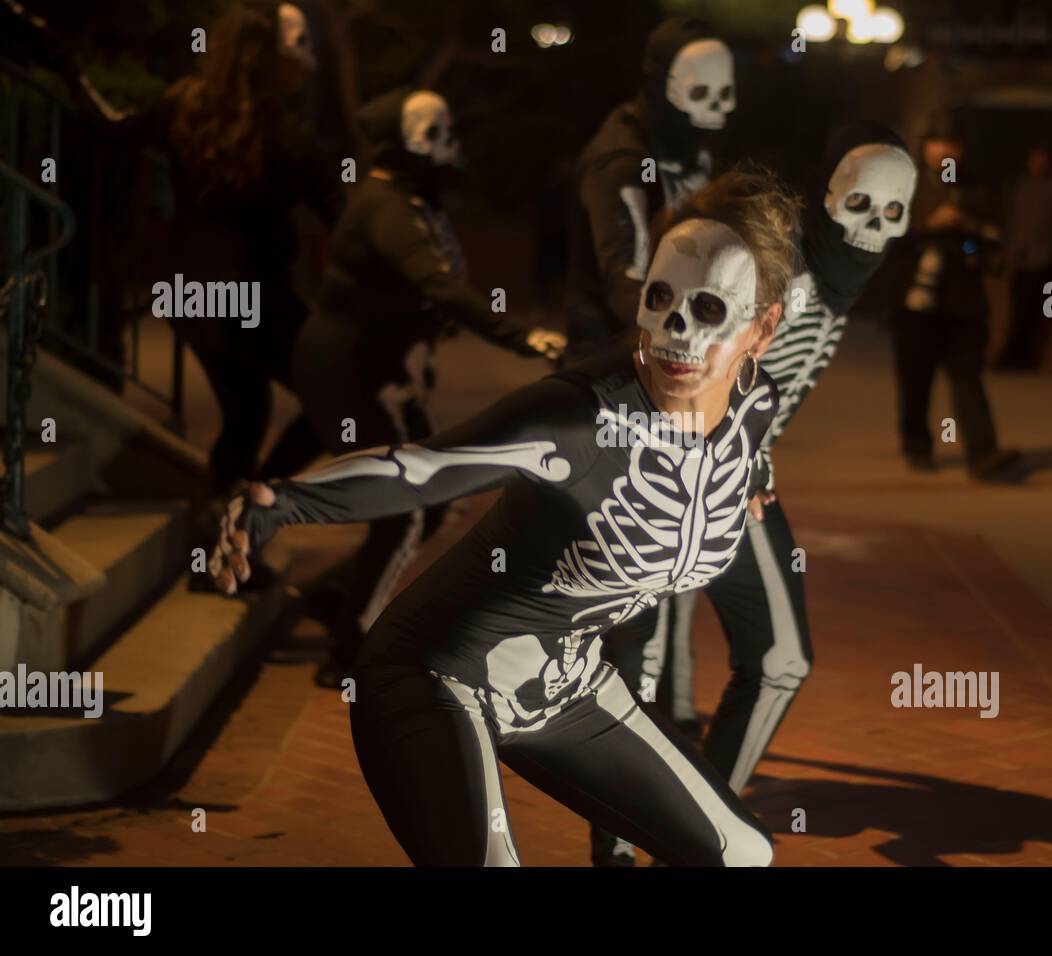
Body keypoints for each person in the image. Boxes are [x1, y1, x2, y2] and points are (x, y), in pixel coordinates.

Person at [210, 169, 800, 867]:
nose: (674, 330)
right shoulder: (578, 417)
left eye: (708, 310)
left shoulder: (754, 403)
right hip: (434, 677)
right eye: (659, 298)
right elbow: (424, 468)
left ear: (762, 330)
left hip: (569, 686)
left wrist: (752, 478)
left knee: (745, 856)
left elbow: (743, 444)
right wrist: (286, 503)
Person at [591, 123, 918, 866]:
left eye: (891, 215)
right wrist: (736, 457)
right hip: (674, 471)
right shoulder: (785, 277)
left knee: (769, 661)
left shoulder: (829, 279)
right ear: (828, 198)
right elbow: (699, 363)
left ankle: (698, 829)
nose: (871, 229)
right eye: (861, 204)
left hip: (736, 477)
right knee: (640, 672)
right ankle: (638, 843)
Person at [290, 87, 565, 687]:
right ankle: (350, 650)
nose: (452, 149)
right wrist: (519, 339)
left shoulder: (409, 201)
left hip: (385, 372)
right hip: (351, 372)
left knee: (435, 499)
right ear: (403, 142)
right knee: (405, 509)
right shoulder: (386, 206)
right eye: (435, 135)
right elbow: (438, 287)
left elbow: (426, 298)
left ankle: (334, 598)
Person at [158, 1, 342, 493]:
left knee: (245, 417)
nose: (309, 66)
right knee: (335, 397)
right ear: (268, 59)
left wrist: (59, 62)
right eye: (298, 51)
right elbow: (342, 215)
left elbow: (111, 130)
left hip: (188, 294)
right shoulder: (287, 136)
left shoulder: (181, 107)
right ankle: (250, 515)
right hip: (250, 294)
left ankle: (228, 529)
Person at [564, 16, 736, 360]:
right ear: (662, 85)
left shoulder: (693, 150)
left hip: (672, 348)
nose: (718, 109)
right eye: (700, 93)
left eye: (726, 94)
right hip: (612, 362)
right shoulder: (621, 164)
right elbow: (625, 282)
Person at [888, 117, 1019, 480]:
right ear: (925, 147)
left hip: (963, 302)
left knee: (968, 378)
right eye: (938, 143)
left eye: (953, 145)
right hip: (915, 303)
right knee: (916, 381)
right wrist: (927, 225)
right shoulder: (905, 187)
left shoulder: (977, 189)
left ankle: (983, 454)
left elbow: (996, 239)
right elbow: (883, 239)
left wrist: (969, 228)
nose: (946, 152)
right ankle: (917, 445)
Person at [997, 146, 1052, 370]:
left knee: (1034, 311)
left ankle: (1021, 358)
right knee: (1018, 308)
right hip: (1020, 257)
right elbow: (1013, 220)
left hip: (1044, 257)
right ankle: (1012, 356)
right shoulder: (1022, 185)